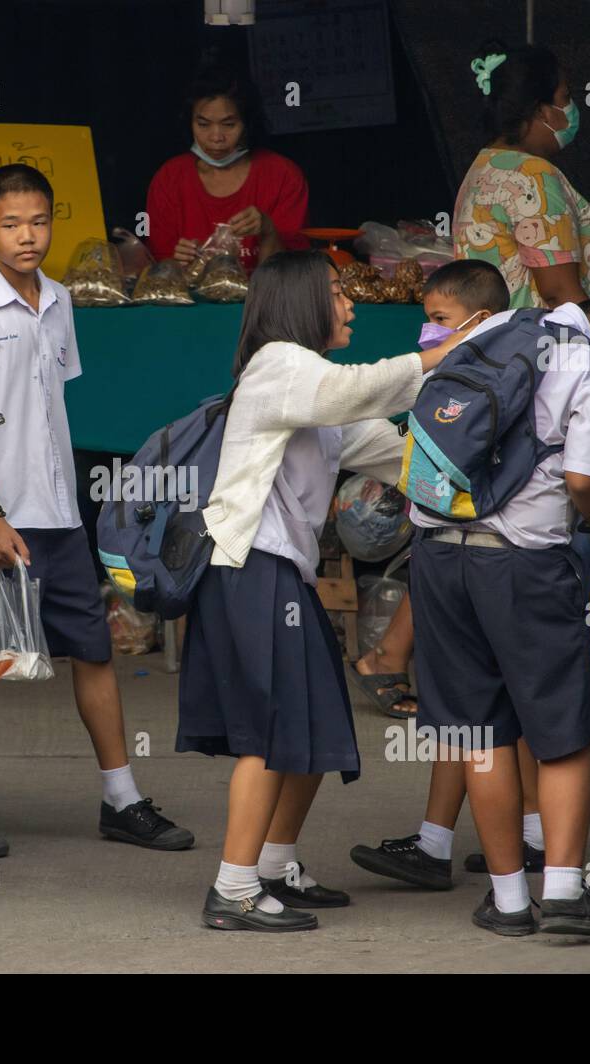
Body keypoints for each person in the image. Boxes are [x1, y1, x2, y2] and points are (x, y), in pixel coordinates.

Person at [0, 164, 194, 860]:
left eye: (38, 222)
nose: (26, 236)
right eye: (10, 224)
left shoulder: (59, 300)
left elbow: (49, 407)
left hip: (57, 513)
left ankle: (122, 799)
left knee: (92, 649)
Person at [184, 250, 470, 932]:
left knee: (312, 724)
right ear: (303, 303)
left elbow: (401, 459)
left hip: (283, 574)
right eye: (338, 294)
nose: (350, 306)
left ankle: (276, 864)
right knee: (270, 733)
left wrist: (495, 500)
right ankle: (232, 889)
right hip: (251, 568)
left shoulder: (314, 391)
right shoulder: (280, 364)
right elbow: (359, 391)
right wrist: (443, 354)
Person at [402, 298, 590, 937]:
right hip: (523, 564)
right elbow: (587, 482)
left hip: (436, 556)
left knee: (479, 729)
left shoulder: (477, 338)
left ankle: (507, 901)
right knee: (559, 723)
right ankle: (563, 890)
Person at [452, 43, 590, 706]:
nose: (571, 110)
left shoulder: (486, 168)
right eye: (564, 99)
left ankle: (391, 651)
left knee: (499, 521)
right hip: (547, 371)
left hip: (507, 368)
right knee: (563, 513)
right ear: (539, 107)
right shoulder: (530, 178)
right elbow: (560, 292)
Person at [348, 260, 507, 720]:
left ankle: (390, 661)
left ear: (481, 319)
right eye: (429, 318)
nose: (429, 331)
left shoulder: (496, 367)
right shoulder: (450, 371)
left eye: (440, 320)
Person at [146, 69, 308, 274]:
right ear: (190, 123)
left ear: (248, 124)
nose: (216, 137)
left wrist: (268, 231)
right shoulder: (169, 179)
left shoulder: (283, 176)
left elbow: (294, 274)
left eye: (229, 125)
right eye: (203, 124)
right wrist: (175, 264)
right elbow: (156, 271)